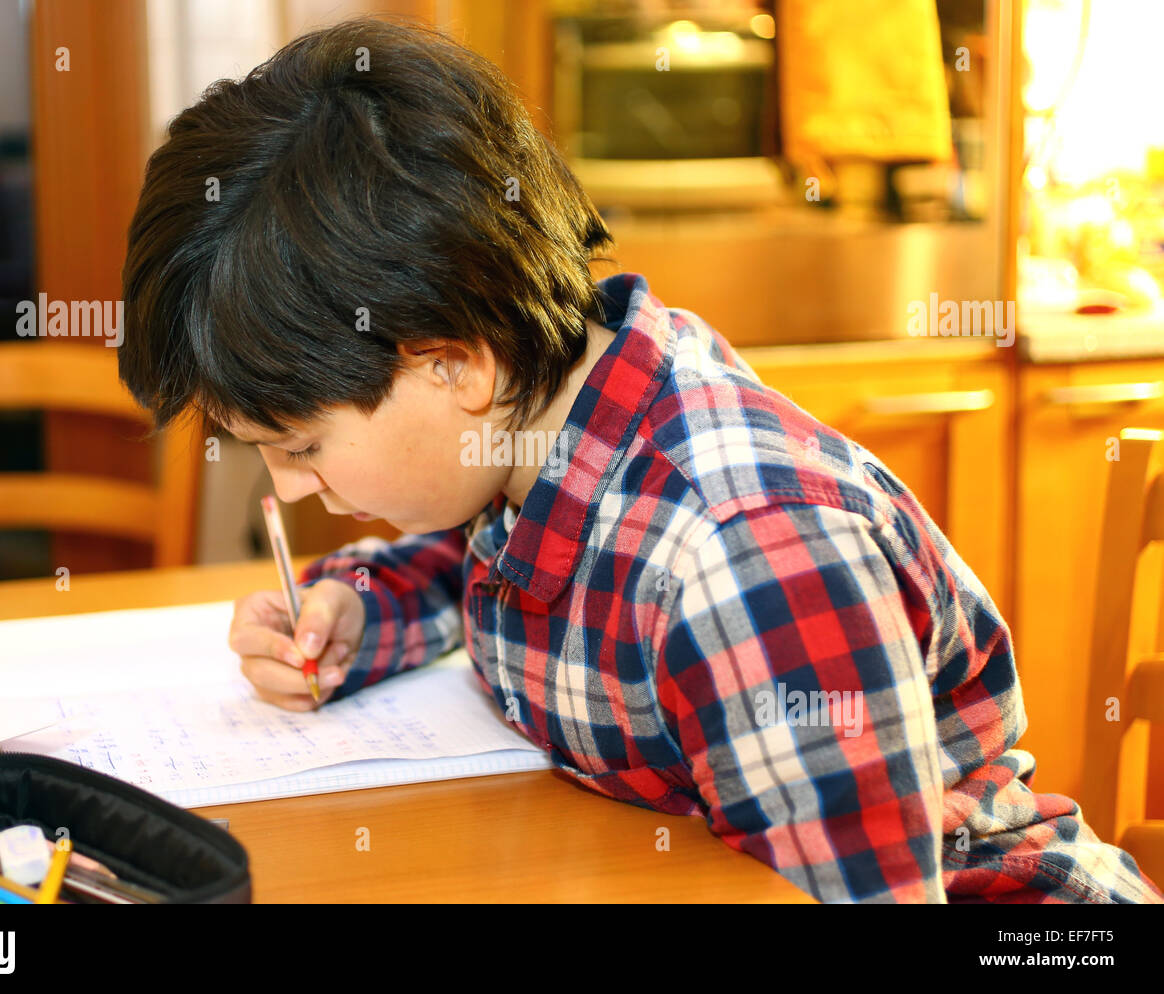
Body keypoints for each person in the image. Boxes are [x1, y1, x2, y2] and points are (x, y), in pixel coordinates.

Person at [117, 17, 1162, 904]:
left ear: (451, 367)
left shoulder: (746, 565)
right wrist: (362, 611)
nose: (288, 487)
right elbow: (511, 564)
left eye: (298, 446)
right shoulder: (538, 426)